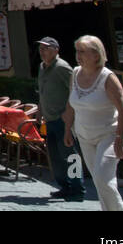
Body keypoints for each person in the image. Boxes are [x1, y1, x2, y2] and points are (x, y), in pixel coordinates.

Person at [64, 35, 123, 211]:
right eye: (77, 51)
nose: (78, 55)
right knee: (98, 181)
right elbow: (71, 104)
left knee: (103, 179)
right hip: (84, 136)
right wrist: (67, 129)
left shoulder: (107, 78)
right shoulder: (75, 74)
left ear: (96, 54)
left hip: (108, 135)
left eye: (83, 51)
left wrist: (120, 140)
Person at [36, 37, 84, 201]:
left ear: (56, 50)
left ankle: (77, 189)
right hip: (49, 119)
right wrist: (40, 110)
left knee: (70, 155)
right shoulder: (42, 67)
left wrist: (69, 113)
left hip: (63, 119)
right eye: (41, 49)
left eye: (46, 48)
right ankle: (65, 186)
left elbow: (75, 90)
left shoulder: (62, 68)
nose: (43, 52)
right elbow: (42, 92)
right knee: (55, 157)